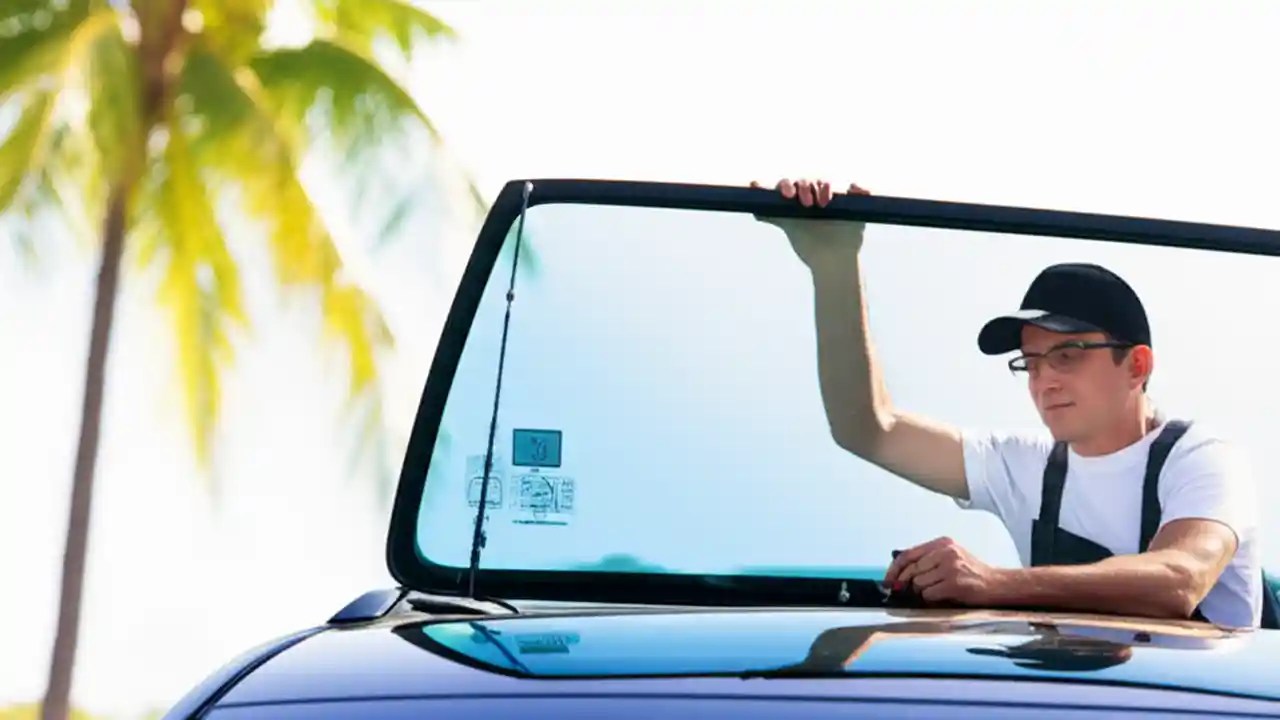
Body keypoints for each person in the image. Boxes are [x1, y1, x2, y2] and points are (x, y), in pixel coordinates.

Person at [753, 177, 1262, 629]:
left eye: (1067, 354)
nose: (1044, 381)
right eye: (1031, 363)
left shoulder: (1201, 457)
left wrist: (991, 583)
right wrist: (835, 262)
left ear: (1137, 365)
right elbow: (868, 429)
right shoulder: (1025, 464)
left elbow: (1178, 580)